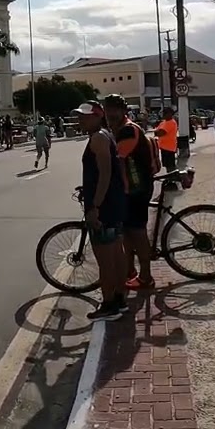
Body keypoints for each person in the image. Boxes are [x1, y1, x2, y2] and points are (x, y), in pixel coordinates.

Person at [73, 101, 129, 321]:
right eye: (79, 116)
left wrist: (95, 206)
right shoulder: (106, 135)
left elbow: (104, 174)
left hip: (104, 206)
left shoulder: (98, 138)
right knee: (116, 253)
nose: (81, 120)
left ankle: (109, 305)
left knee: (105, 260)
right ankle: (120, 298)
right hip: (114, 203)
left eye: (85, 116)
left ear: (98, 116)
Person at [104, 95, 160, 291]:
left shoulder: (128, 130)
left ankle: (146, 277)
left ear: (123, 111)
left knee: (137, 233)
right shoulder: (119, 129)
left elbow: (117, 162)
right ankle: (129, 272)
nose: (110, 113)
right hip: (130, 190)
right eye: (108, 109)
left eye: (115, 110)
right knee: (127, 232)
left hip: (136, 189)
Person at [153, 108, 179, 172]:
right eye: (163, 113)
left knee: (170, 166)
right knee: (167, 165)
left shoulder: (171, 122)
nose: (164, 115)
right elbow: (156, 132)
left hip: (169, 147)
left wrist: (157, 132)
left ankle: (174, 176)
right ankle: (172, 175)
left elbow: (160, 133)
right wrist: (157, 132)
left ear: (170, 114)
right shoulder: (163, 122)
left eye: (165, 113)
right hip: (163, 147)